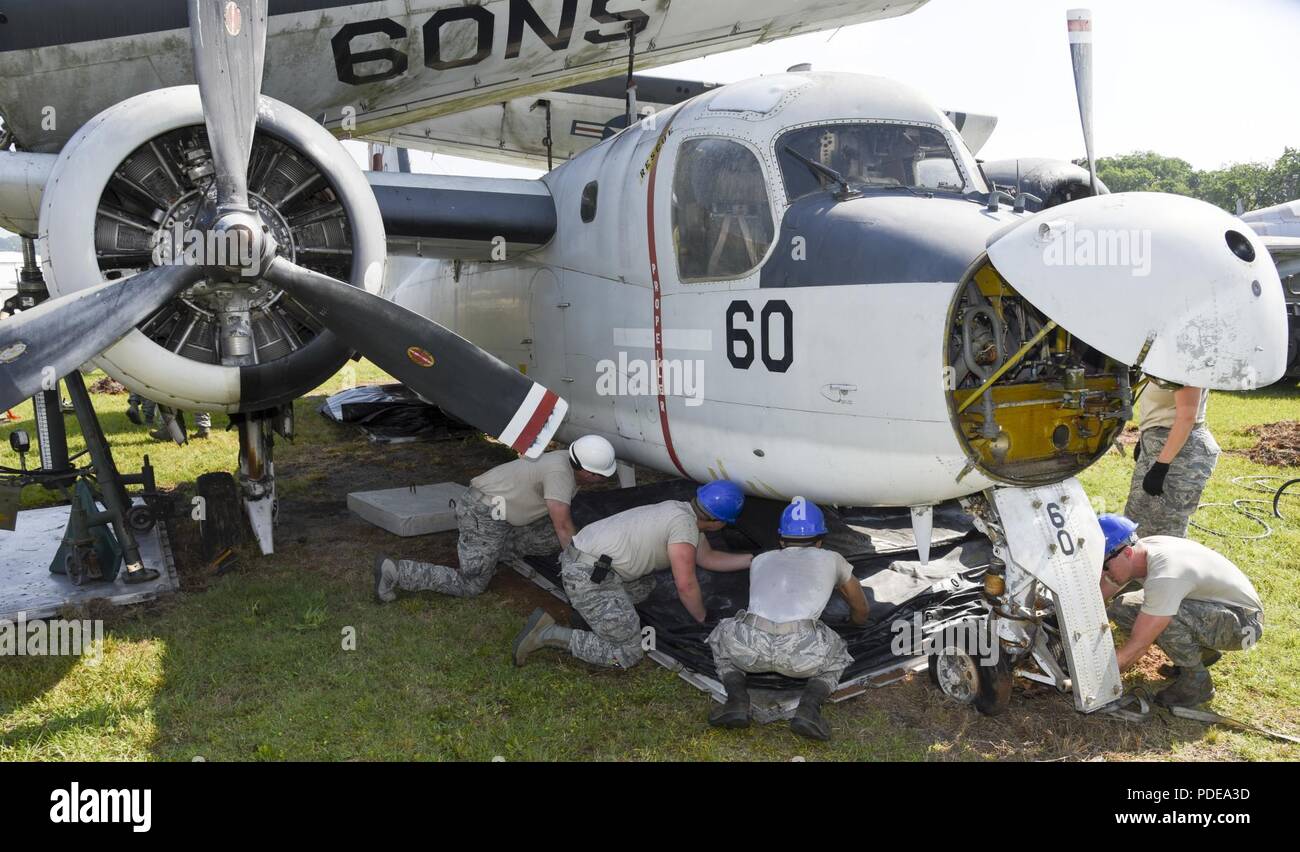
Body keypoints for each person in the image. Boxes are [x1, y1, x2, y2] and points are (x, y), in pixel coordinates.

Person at [512, 480, 753, 671]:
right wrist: (703, 621)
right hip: (588, 576)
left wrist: (754, 560)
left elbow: (707, 558)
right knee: (628, 653)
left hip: (590, 563)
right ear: (719, 521)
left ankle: (592, 616)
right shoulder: (684, 526)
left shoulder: (680, 512)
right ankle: (547, 633)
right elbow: (686, 585)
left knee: (645, 585)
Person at [373, 435, 617, 600]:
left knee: (551, 538)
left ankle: (492, 553)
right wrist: (581, 571)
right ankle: (397, 571)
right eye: (598, 476)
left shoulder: (570, 459)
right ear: (583, 469)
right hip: (482, 512)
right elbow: (563, 526)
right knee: (471, 584)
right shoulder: (560, 473)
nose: (602, 480)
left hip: (503, 514)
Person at [706, 498, 869, 741]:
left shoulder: (761, 559)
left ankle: (737, 701)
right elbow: (861, 608)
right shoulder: (832, 559)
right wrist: (856, 624)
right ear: (820, 540)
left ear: (781, 540)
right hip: (802, 654)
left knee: (720, 637)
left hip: (750, 647)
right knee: (837, 657)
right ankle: (809, 709)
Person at [1098, 514, 1264, 708]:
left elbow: (1138, 645)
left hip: (1245, 626)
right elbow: (1100, 594)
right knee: (1124, 607)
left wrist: (1095, 682)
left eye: (1104, 566)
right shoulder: (1140, 549)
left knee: (1163, 618)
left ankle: (1196, 682)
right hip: (1217, 609)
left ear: (1126, 553)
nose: (1103, 573)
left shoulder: (1165, 575)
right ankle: (1201, 652)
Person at [1124, 380, 1218, 537]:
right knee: (1138, 520)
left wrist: (1161, 465)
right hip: (1159, 445)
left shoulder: (1184, 363)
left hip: (1180, 453)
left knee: (1163, 529)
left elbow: (1187, 417)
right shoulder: (1159, 361)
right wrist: (1145, 438)